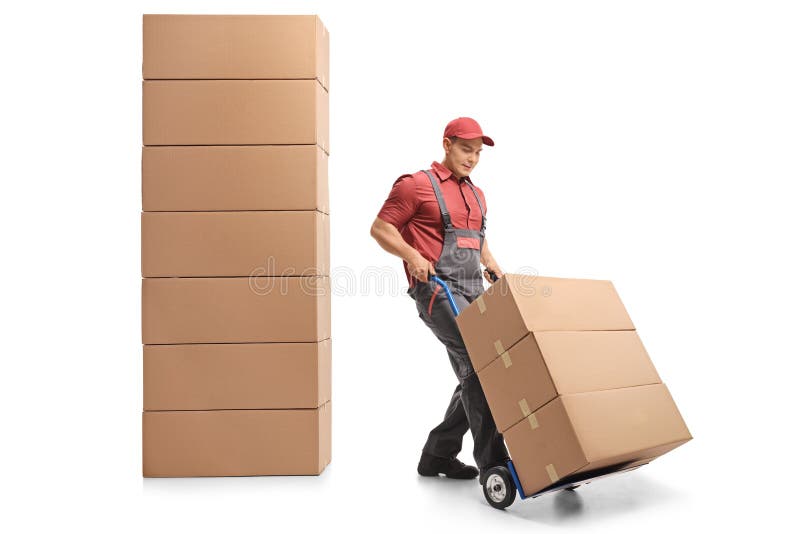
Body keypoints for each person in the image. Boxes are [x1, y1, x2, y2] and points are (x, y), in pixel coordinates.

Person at [370, 117, 510, 485]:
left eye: (479, 152)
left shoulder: (477, 194)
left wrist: (491, 262)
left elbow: (476, 239)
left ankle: (437, 454)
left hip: (472, 290)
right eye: (467, 149)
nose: (473, 158)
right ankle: (494, 466)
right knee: (480, 363)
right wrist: (412, 256)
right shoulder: (416, 185)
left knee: (479, 368)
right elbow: (381, 229)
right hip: (436, 288)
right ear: (446, 144)